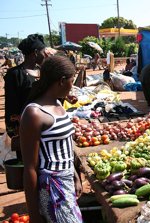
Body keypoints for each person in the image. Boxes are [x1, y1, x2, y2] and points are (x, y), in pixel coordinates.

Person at [20, 56, 83, 223]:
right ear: (62, 81)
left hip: (66, 180)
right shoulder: (34, 113)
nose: (73, 85)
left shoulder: (58, 104)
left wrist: (75, 175)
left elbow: (65, 147)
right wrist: (34, 215)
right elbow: (30, 169)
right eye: (72, 80)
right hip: (52, 187)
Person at [4, 34, 47, 138]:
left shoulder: (43, 71)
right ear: (36, 53)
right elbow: (11, 106)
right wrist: (14, 131)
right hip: (26, 130)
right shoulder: (14, 74)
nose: (45, 55)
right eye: (43, 52)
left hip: (45, 127)